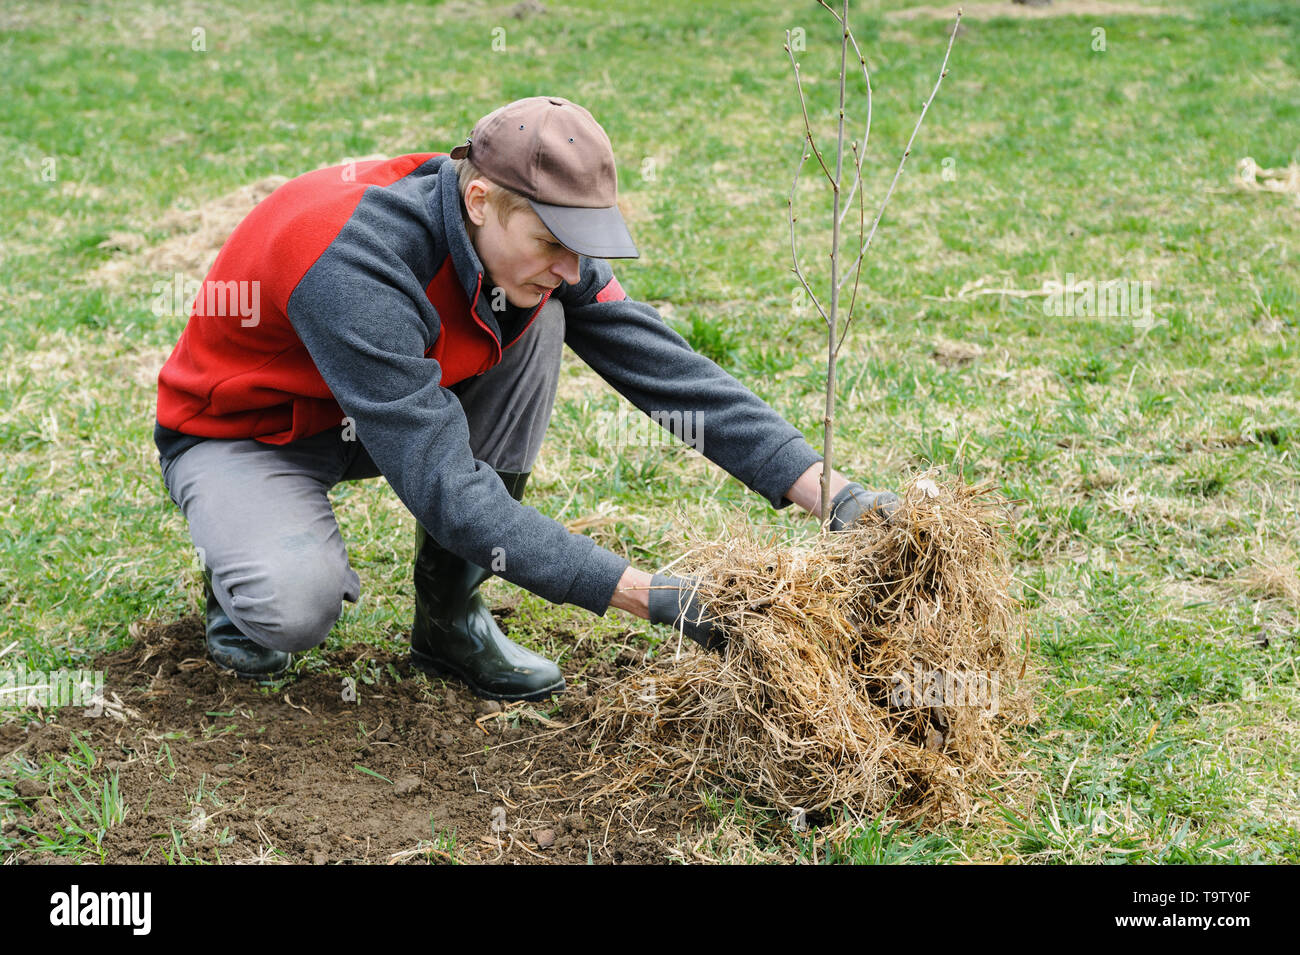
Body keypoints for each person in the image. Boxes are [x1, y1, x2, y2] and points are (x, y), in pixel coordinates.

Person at [153, 95, 897, 700]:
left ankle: (450, 620)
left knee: (543, 318)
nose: (572, 266)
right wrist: (655, 597)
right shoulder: (354, 264)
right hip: (248, 433)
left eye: (582, 243)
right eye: (551, 243)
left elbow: (666, 369)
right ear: (479, 199)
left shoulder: (530, 240)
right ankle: (238, 582)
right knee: (294, 604)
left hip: (376, 411)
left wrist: (835, 495)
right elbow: (449, 489)